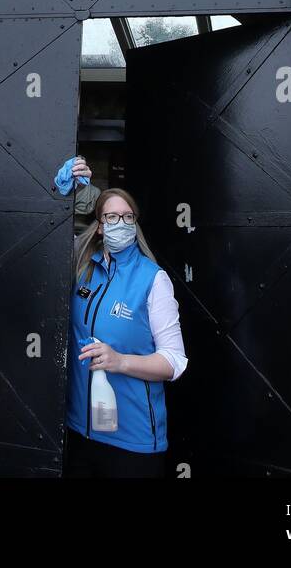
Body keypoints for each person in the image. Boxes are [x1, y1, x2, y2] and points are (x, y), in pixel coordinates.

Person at [52, 156, 189, 478]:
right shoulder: (83, 267)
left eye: (128, 217)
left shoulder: (153, 279)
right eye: (111, 217)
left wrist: (120, 361)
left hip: (133, 442)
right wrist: (63, 193)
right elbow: (45, 238)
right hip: (78, 431)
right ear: (99, 226)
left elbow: (174, 361)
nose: (120, 223)